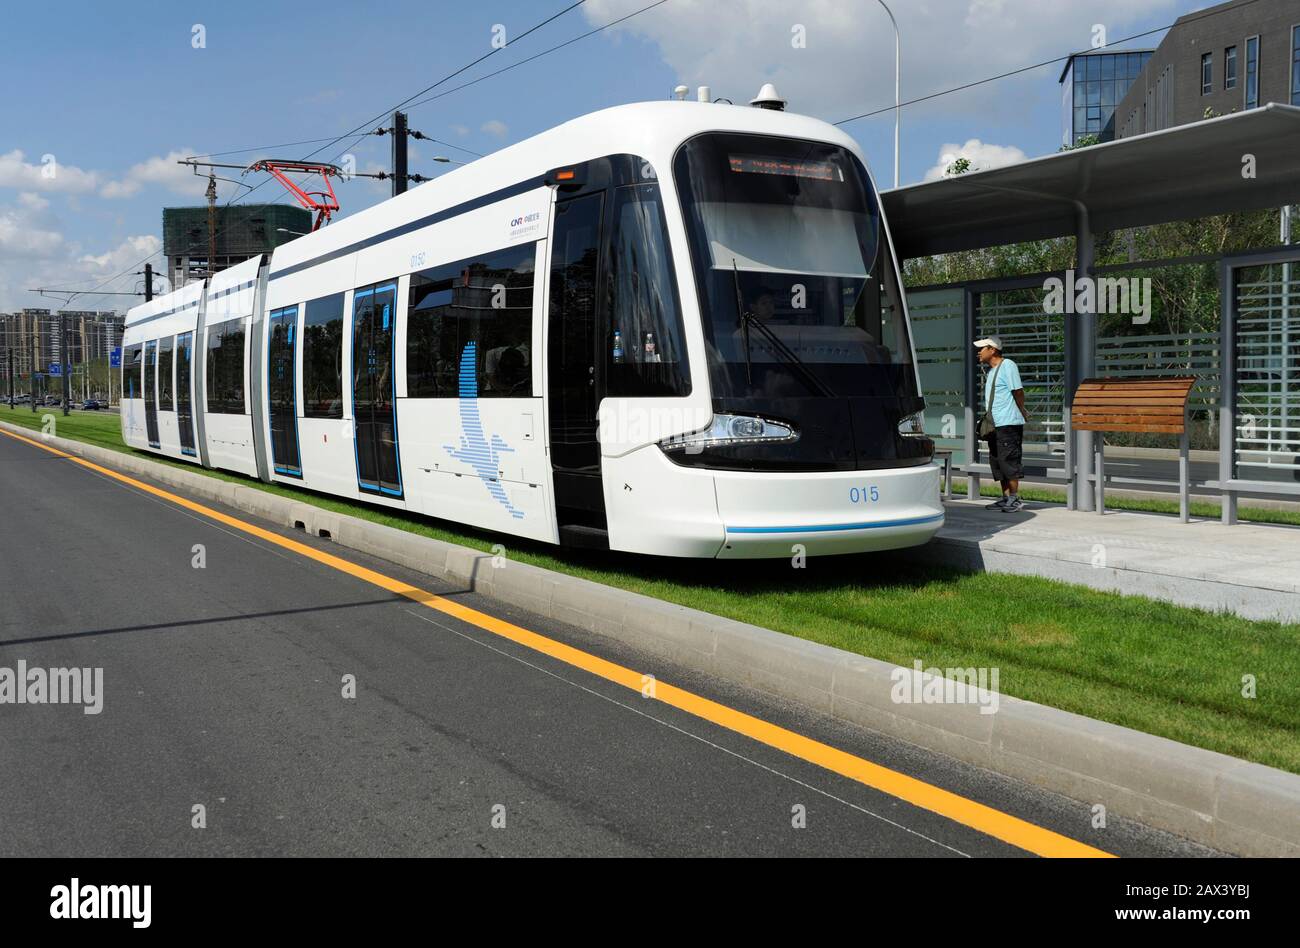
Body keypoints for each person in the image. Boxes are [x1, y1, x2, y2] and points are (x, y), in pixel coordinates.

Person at [974, 335, 1029, 512]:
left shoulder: (1008, 365)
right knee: (998, 462)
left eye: (982, 348)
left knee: (1009, 461)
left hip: (1008, 423)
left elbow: (1018, 391)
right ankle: (1006, 498)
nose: (978, 352)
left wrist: (1022, 409)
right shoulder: (991, 372)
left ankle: (1014, 499)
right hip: (995, 424)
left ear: (993, 350)